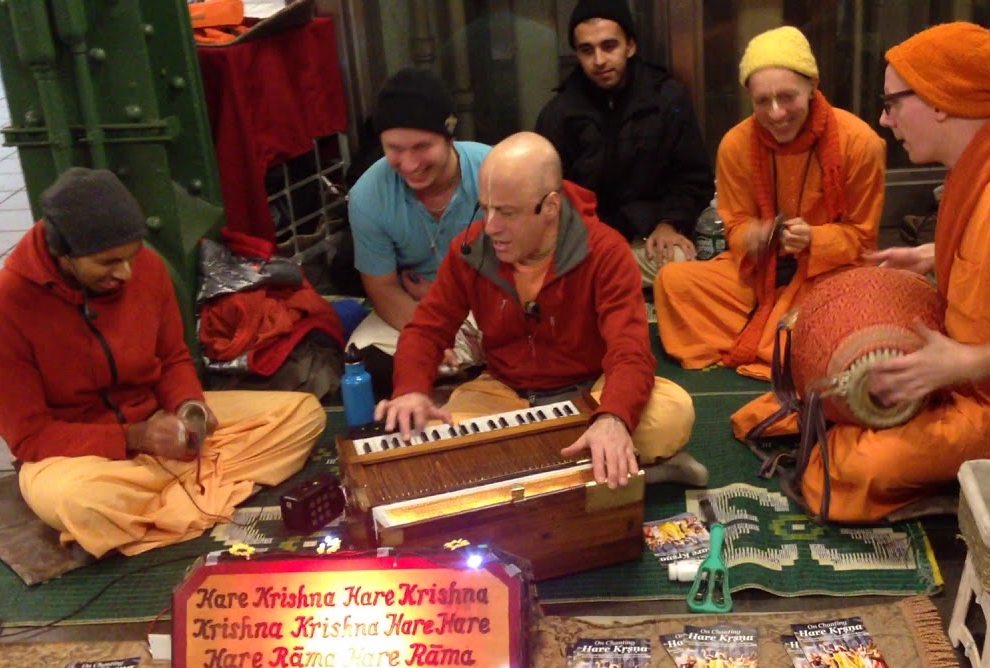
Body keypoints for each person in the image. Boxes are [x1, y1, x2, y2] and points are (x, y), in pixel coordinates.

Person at [802, 22, 990, 521]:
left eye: (892, 103)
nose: (884, 120)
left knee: (854, 468)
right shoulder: (981, 162)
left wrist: (965, 364)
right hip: (963, 370)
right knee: (841, 394)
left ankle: (981, 485)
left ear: (940, 100)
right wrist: (931, 254)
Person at [0, 168, 325, 558]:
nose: (125, 273)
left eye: (131, 257)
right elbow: (29, 435)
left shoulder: (147, 268)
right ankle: (196, 492)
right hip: (76, 454)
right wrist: (135, 437)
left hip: (158, 421)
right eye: (108, 263)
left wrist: (189, 407)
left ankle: (155, 509)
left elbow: (173, 358)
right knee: (82, 503)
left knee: (304, 414)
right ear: (64, 254)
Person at [375, 132, 704, 489]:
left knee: (672, 411)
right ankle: (623, 471)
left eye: (508, 212)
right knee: (434, 438)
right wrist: (410, 389)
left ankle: (538, 467)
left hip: (591, 391)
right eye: (486, 208)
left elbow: (630, 350)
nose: (492, 227)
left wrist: (613, 416)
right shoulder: (469, 249)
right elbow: (426, 329)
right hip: (505, 393)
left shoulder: (605, 250)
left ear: (550, 207)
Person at [654, 26, 886, 380]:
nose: (776, 113)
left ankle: (783, 335)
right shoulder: (736, 144)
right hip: (761, 272)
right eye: (763, 101)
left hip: (827, 274)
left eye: (787, 97)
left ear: (812, 85)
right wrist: (753, 236)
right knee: (674, 282)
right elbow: (734, 226)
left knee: (839, 317)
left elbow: (863, 239)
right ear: (750, 97)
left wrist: (815, 239)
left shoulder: (859, 143)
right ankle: (780, 337)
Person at [535, 0, 714, 286]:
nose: (599, 60)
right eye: (586, 50)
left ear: (630, 46)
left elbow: (693, 178)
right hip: (590, 243)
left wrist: (671, 223)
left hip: (653, 237)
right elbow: (550, 196)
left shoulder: (667, 99)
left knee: (681, 269)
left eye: (609, 46)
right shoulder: (559, 114)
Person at [347, 68, 491, 397]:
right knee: (365, 363)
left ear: (449, 137)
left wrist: (454, 300)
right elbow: (382, 288)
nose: (409, 164)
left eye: (422, 147)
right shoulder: (368, 195)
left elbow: (532, 267)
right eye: (394, 148)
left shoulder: (495, 170)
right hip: (420, 312)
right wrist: (431, 333)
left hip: (496, 301)